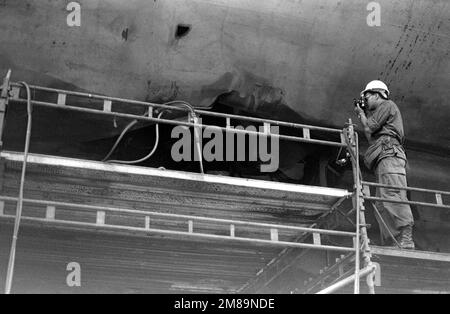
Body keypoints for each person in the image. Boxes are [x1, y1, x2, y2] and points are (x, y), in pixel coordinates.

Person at [354, 80, 415, 249]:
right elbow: (370, 136)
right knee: (382, 202)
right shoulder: (378, 114)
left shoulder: (388, 105)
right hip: (383, 156)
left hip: (390, 155)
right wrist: (364, 114)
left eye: (367, 96)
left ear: (377, 94)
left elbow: (369, 129)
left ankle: (406, 238)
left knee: (393, 194)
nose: (365, 101)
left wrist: (361, 114)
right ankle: (393, 240)